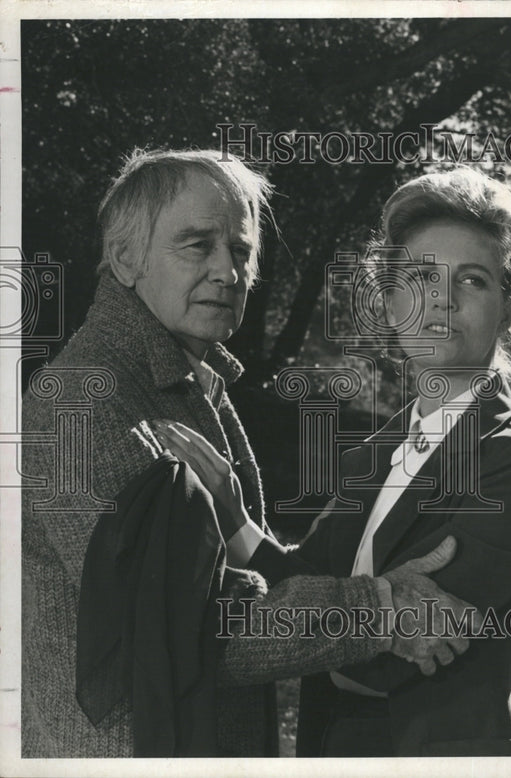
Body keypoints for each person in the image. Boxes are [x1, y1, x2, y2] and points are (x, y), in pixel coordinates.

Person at [21, 149, 478, 758]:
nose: (227, 272)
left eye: (239, 251)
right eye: (196, 245)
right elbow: (188, 625)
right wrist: (380, 612)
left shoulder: (190, 379)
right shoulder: (85, 400)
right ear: (126, 258)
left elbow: (236, 577)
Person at [159, 167, 511, 757]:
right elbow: (298, 582)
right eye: (422, 278)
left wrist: (353, 614)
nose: (443, 301)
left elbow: (380, 662)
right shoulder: (380, 449)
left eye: (473, 281)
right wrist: (230, 512)